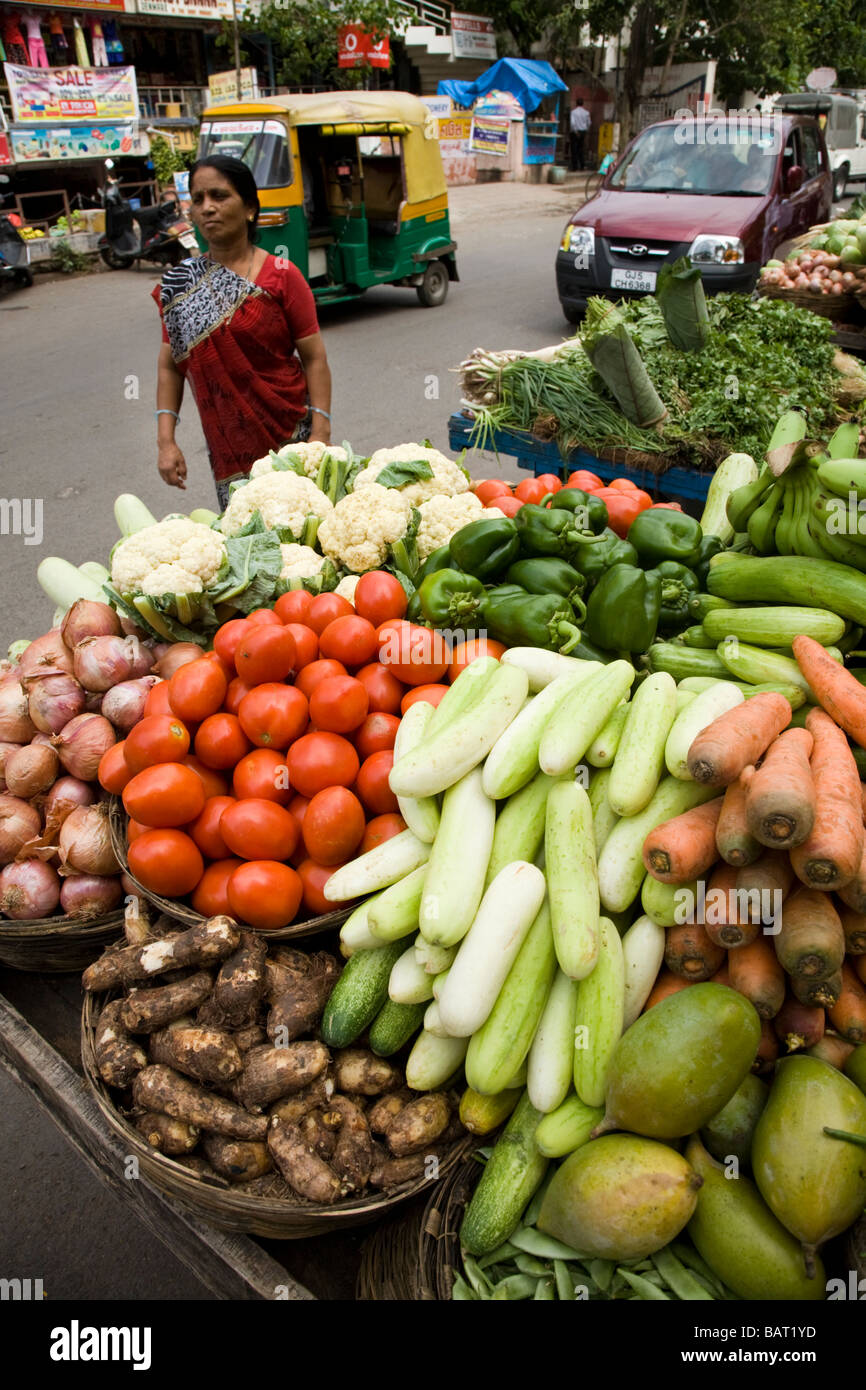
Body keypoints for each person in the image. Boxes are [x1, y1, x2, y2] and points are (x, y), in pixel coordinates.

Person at [153, 155, 332, 510]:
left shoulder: (281, 275)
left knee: (305, 536)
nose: (207, 208)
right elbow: (170, 367)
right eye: (199, 198)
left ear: (249, 207)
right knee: (248, 539)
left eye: (220, 196)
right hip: (228, 450)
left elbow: (314, 358)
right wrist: (166, 442)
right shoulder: (179, 285)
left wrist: (321, 433)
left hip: (291, 436)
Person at [569, 98, 591, 172]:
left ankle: (574, 167)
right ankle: (582, 165)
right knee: (581, 149)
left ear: (576, 103)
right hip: (583, 132)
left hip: (575, 132)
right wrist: (586, 130)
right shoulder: (586, 113)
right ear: (583, 104)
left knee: (574, 150)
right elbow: (589, 123)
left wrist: (575, 131)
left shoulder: (573, 112)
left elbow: (572, 123)